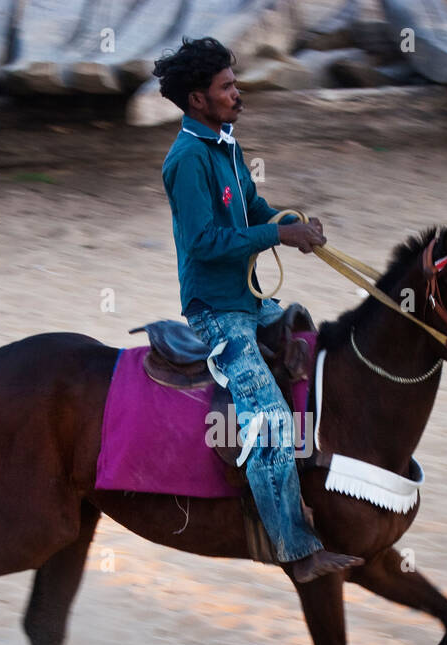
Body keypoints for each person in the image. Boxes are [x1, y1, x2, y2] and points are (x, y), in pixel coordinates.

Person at [154, 37, 363, 583]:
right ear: (198, 100)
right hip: (217, 312)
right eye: (227, 87)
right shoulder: (186, 159)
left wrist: (294, 222)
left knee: (318, 349)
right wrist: (277, 233)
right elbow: (202, 242)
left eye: (234, 83)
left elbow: (253, 209)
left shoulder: (225, 145)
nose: (236, 93)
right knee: (269, 422)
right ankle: (296, 551)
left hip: (251, 300)